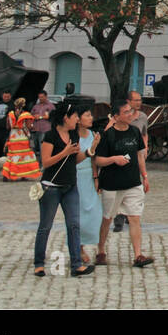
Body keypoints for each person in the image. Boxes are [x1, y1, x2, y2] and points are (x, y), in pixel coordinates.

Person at [32, 103, 95, 277]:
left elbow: (74, 159)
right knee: (45, 226)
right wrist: (65, 151)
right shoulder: (50, 136)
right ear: (66, 118)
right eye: (75, 116)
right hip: (51, 187)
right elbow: (46, 162)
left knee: (74, 225)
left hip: (70, 186)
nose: (77, 119)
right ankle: (38, 263)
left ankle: (77, 264)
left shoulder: (73, 134)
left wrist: (90, 151)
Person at [94, 99, 153, 267]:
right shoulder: (108, 135)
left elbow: (140, 156)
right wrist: (114, 159)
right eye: (126, 112)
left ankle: (138, 255)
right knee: (107, 218)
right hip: (112, 183)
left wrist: (145, 176)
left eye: (130, 111)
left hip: (133, 182)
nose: (130, 114)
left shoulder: (135, 132)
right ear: (116, 116)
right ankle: (101, 250)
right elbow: (98, 160)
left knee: (135, 218)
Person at [115, 89, 151, 233]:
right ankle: (119, 216)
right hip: (121, 155)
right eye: (136, 100)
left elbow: (144, 133)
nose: (139, 103)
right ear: (128, 102)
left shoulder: (143, 117)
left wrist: (145, 147)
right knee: (120, 186)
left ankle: (131, 214)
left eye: (140, 100)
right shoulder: (121, 117)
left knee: (134, 186)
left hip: (137, 155)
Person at [74, 106, 102, 264]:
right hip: (75, 175)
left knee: (93, 211)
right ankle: (79, 246)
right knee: (77, 212)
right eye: (88, 115)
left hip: (88, 176)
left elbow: (93, 159)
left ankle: (96, 245)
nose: (91, 118)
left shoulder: (92, 135)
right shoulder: (73, 136)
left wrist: (96, 177)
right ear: (78, 119)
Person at [0, 102, 41, 181]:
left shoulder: (10, 114)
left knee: (12, 156)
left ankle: (7, 174)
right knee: (24, 157)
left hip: (13, 137)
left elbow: (8, 126)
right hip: (22, 137)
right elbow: (29, 126)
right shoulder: (26, 115)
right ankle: (23, 175)